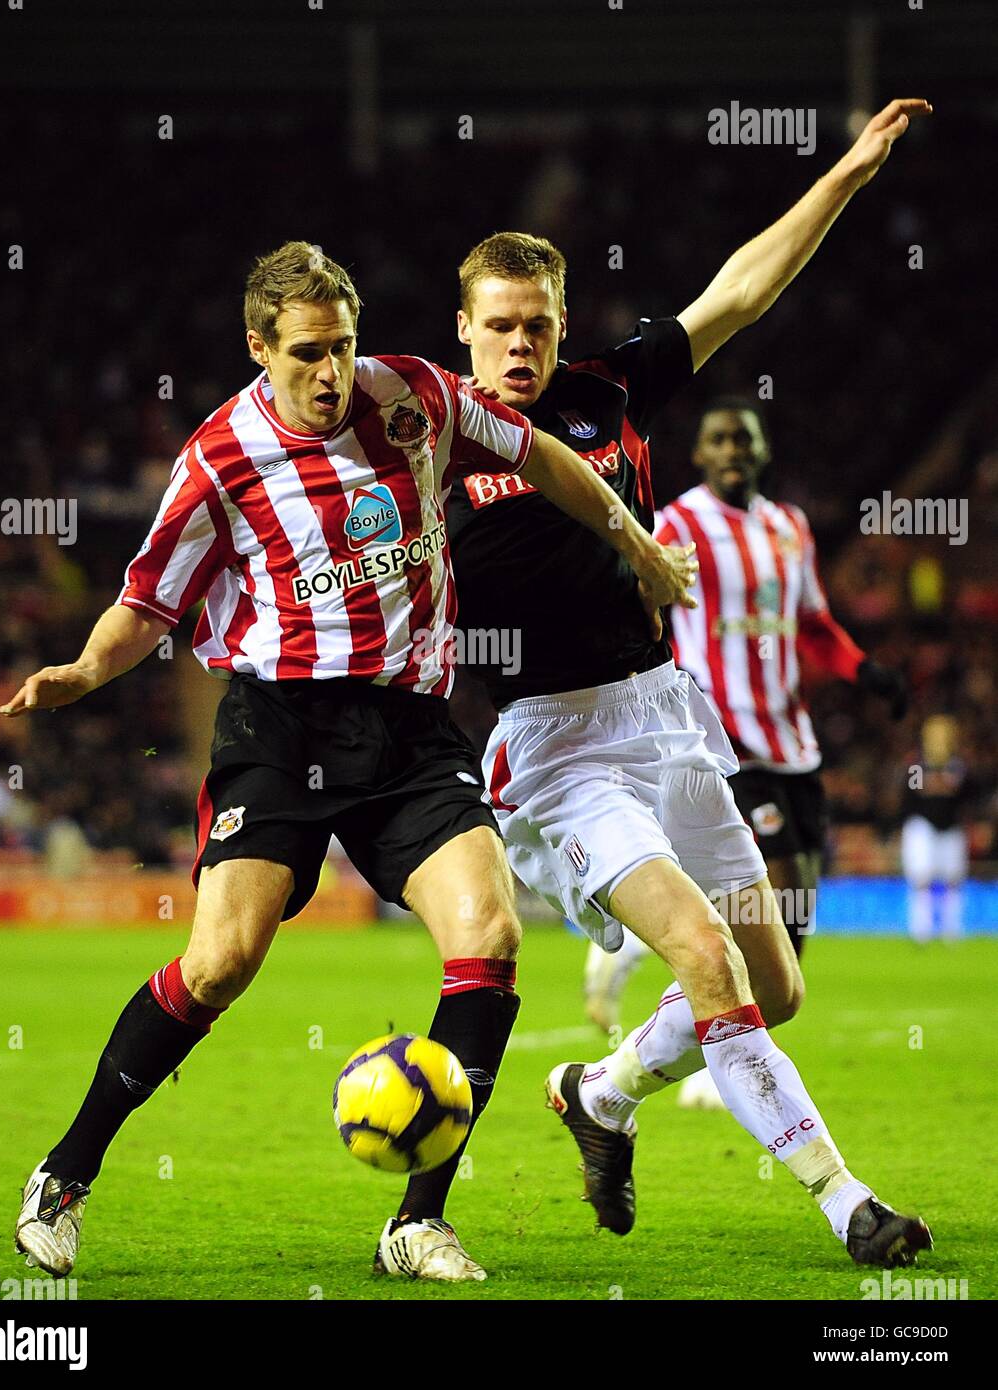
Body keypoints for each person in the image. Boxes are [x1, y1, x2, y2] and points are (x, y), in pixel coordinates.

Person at [3, 240, 696, 1285]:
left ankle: (417, 1222)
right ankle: (63, 1172)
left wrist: (636, 541)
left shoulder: (416, 396)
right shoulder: (219, 461)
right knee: (219, 963)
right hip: (281, 732)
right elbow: (147, 603)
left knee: (490, 934)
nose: (332, 374)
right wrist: (82, 673)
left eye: (344, 347)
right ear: (258, 348)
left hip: (410, 730)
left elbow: (543, 455)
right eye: (308, 355)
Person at [446, 100, 932, 1266]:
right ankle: (844, 1199)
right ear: (462, 330)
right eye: (501, 326)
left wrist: (847, 179)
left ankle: (600, 1093)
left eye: (539, 327)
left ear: (562, 327)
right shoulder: (431, 448)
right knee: (705, 959)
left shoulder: (606, 394)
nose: (521, 346)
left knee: (781, 982)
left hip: (667, 720)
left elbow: (740, 290)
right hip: (557, 750)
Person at [604, 396, 908, 1109]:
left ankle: (736, 1028)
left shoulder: (787, 528)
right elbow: (639, 598)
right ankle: (720, 1047)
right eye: (719, 439)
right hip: (725, 741)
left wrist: (865, 671)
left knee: (798, 894)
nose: (734, 449)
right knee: (759, 888)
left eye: (745, 438)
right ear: (700, 454)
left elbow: (811, 623)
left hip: (791, 742)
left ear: (762, 449)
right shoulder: (676, 522)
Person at [901, 714, 970, 942]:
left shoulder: (958, 766)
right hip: (923, 825)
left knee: (953, 878)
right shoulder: (917, 765)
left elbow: (967, 794)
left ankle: (952, 931)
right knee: (921, 878)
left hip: (951, 826)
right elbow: (911, 794)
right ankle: (922, 930)